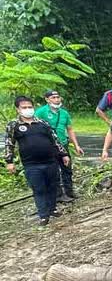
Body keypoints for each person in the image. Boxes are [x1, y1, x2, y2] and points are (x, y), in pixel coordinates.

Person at [4, 96, 70, 226]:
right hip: (31, 164)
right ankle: (43, 215)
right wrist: (9, 161)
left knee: (52, 186)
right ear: (18, 109)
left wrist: (64, 154)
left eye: (30, 107)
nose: (28, 109)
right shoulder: (14, 125)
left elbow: (55, 140)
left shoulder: (42, 123)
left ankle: (52, 209)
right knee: (38, 189)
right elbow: (9, 144)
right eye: (24, 107)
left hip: (50, 161)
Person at [35, 90, 84, 202]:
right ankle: (59, 195)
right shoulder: (41, 112)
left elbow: (70, 129)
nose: (56, 100)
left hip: (63, 144)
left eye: (58, 97)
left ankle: (69, 191)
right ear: (47, 99)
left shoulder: (64, 113)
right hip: (49, 147)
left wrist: (76, 145)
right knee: (54, 171)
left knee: (67, 169)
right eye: (53, 97)